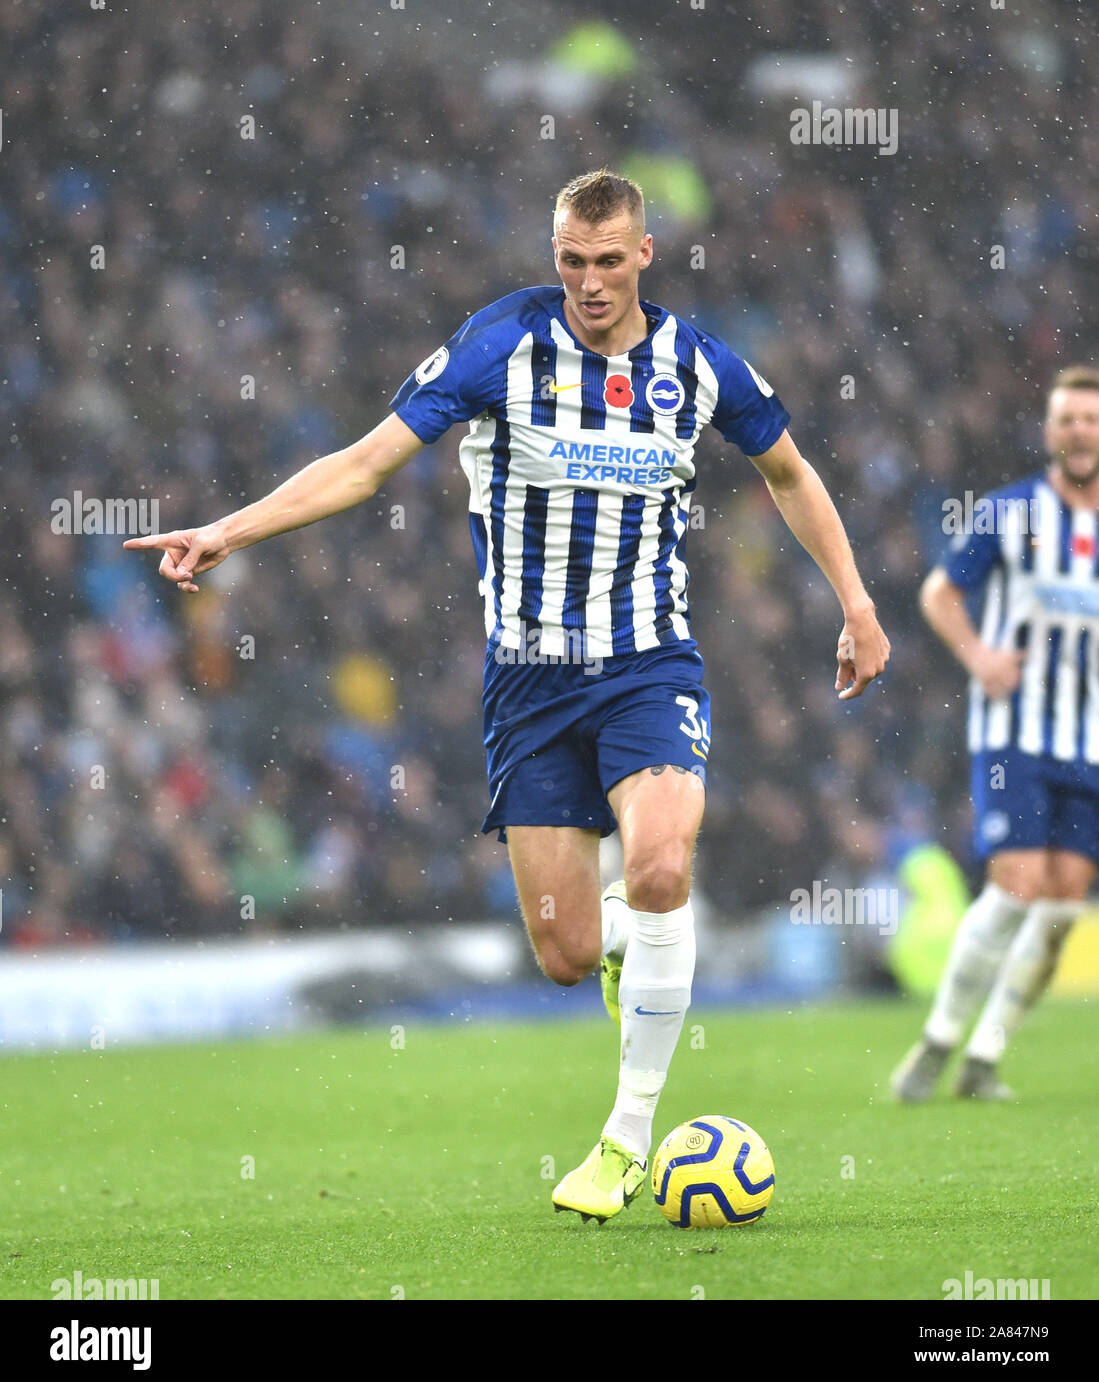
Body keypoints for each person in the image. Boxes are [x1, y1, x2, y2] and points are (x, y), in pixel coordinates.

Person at [126, 168, 889, 1221]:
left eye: (607, 261)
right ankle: (629, 940)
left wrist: (854, 600)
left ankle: (626, 1140)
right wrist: (227, 530)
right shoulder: (499, 345)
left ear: (644, 256)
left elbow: (791, 474)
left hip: (645, 663)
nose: (587, 282)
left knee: (665, 861)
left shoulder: (697, 366)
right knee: (568, 952)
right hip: (528, 681)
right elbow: (362, 465)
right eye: (570, 261)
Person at [892, 365, 1099, 1102]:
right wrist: (978, 655)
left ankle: (983, 1057)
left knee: (1062, 904)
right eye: (1066, 419)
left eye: (1089, 419)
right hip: (1015, 732)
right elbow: (939, 592)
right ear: (1048, 432)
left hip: (1090, 745)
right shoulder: (1009, 513)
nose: (1078, 432)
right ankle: (937, 1040)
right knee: (1014, 889)